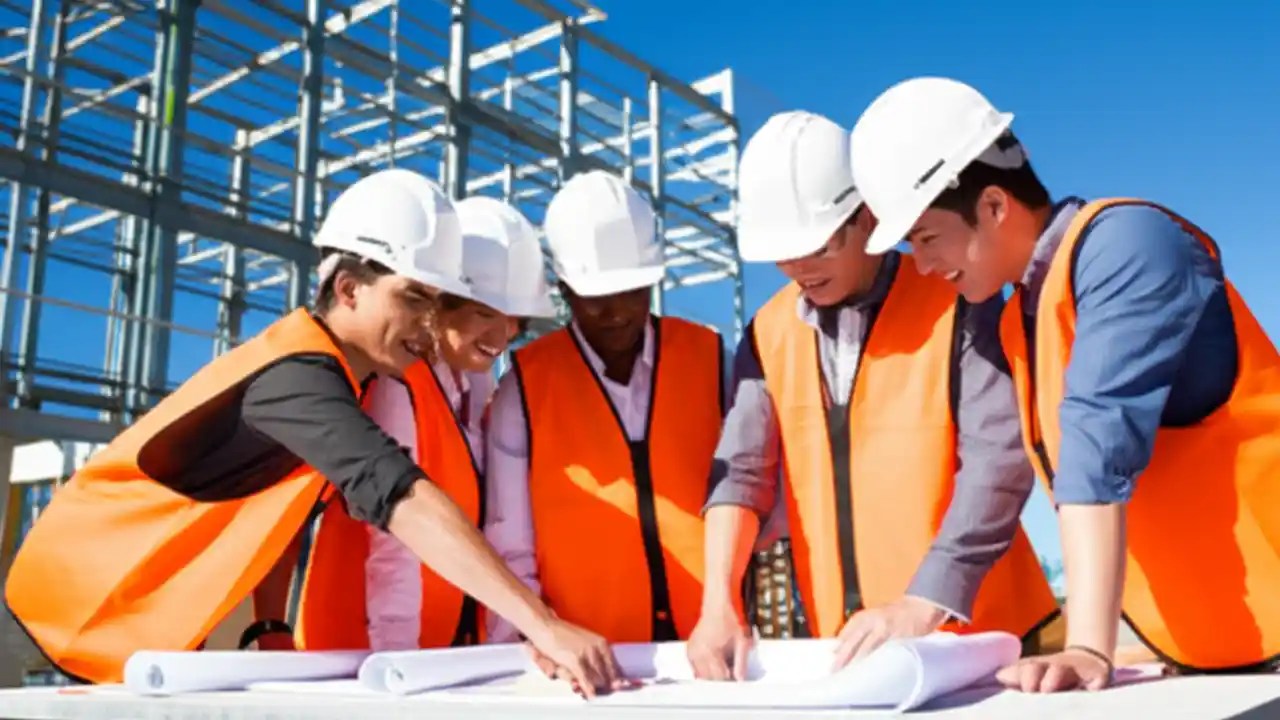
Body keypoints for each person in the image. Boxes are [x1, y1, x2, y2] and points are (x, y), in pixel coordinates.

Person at [3, 169, 624, 696]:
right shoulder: (297, 377)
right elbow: (401, 497)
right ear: (349, 289)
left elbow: (278, 507)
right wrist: (544, 625)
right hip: (65, 614)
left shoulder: (341, 377)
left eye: (437, 302)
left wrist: (268, 624)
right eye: (413, 298)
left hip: (119, 625)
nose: (427, 322)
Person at [847, 76, 1280, 692]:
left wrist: (1086, 649)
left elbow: (1099, 438)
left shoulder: (1128, 245)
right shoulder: (1016, 320)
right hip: (1214, 653)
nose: (921, 264)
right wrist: (924, 603)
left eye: (926, 237)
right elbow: (1001, 464)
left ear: (993, 206)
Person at [686, 110, 1059, 681]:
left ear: (866, 217)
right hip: (851, 652)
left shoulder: (958, 296)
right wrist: (719, 604)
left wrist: (927, 599)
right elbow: (742, 475)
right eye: (782, 254)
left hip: (990, 641)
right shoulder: (766, 334)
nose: (799, 268)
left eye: (817, 246)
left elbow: (998, 461)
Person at [293, 194, 557, 653]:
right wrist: (399, 659)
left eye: (515, 321)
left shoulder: (476, 390)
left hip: (435, 649)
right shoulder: (399, 382)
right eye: (485, 314)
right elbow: (393, 544)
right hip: (365, 650)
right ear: (438, 303)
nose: (503, 336)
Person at [485, 170, 724, 646]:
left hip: (708, 644)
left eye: (633, 291)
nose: (617, 311)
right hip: (586, 656)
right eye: (596, 297)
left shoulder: (714, 361)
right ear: (564, 289)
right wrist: (528, 641)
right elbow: (510, 541)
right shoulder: (524, 388)